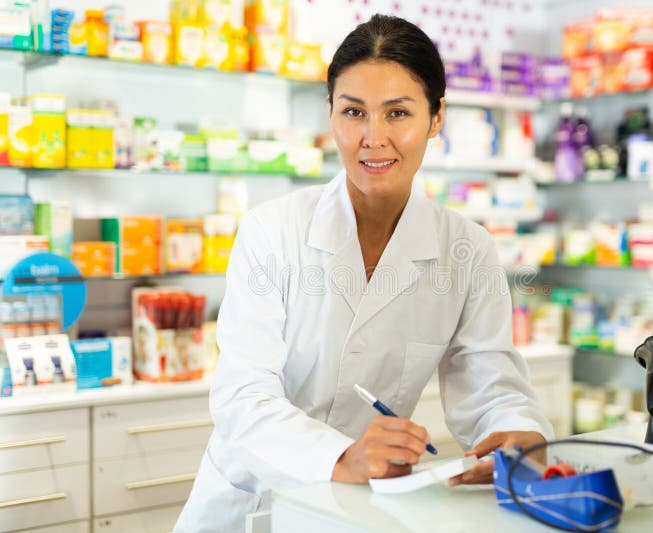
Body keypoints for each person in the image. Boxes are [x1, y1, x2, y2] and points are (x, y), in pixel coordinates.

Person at [175, 14, 552, 532]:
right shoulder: (272, 231)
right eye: (354, 112)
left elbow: (492, 385)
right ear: (331, 115)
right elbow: (243, 398)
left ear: (436, 117)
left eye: (398, 112)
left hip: (361, 512)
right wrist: (339, 457)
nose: (373, 138)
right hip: (250, 502)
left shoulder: (467, 249)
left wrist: (518, 432)